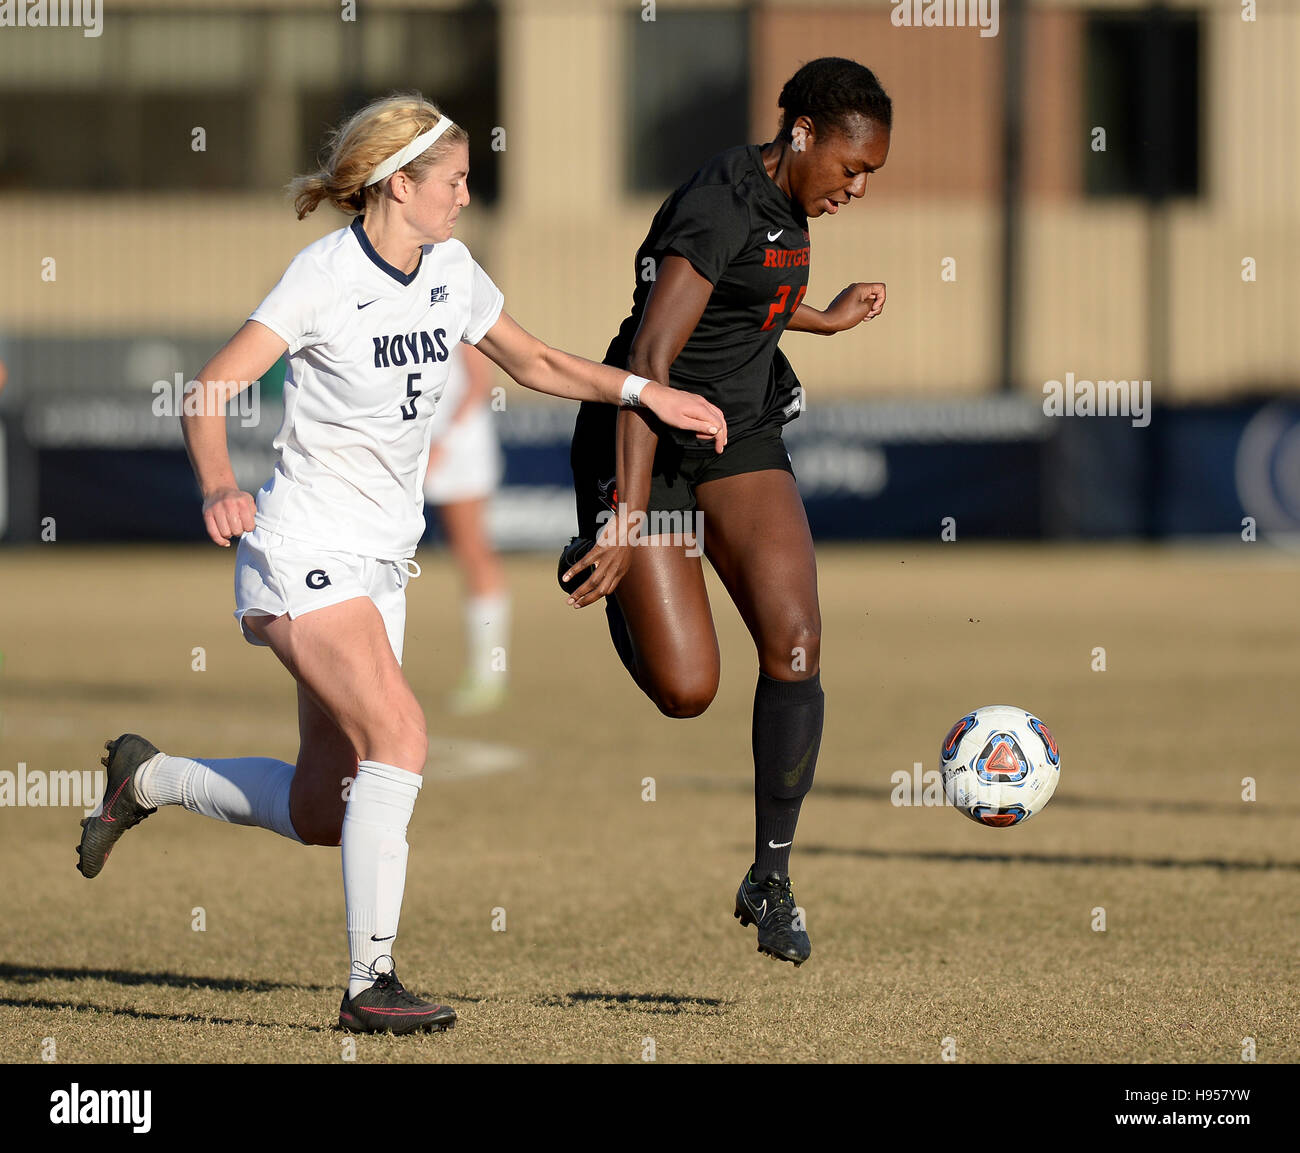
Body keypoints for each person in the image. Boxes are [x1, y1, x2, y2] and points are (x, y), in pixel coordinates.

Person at [76, 92, 727, 1034]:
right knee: (404, 739)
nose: (466, 196)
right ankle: (368, 983)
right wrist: (219, 483)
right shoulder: (323, 275)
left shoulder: (453, 269)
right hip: (301, 549)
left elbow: (536, 362)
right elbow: (208, 391)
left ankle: (148, 778)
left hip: (382, 566)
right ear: (398, 184)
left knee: (324, 811)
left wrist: (645, 392)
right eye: (454, 181)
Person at [560, 57, 891, 966]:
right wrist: (627, 519)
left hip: (738, 432)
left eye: (871, 175)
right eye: (851, 169)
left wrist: (823, 318)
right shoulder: (720, 202)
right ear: (803, 134)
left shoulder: (791, 201)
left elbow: (752, 303)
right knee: (687, 691)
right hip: (648, 439)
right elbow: (651, 365)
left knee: (795, 646)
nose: (857, 187)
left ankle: (771, 876)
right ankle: (598, 549)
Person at [421, 342, 510, 714]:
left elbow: (480, 383)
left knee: (473, 552)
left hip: (459, 450)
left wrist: (444, 442)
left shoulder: (462, 307)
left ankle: (488, 673)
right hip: (425, 445)